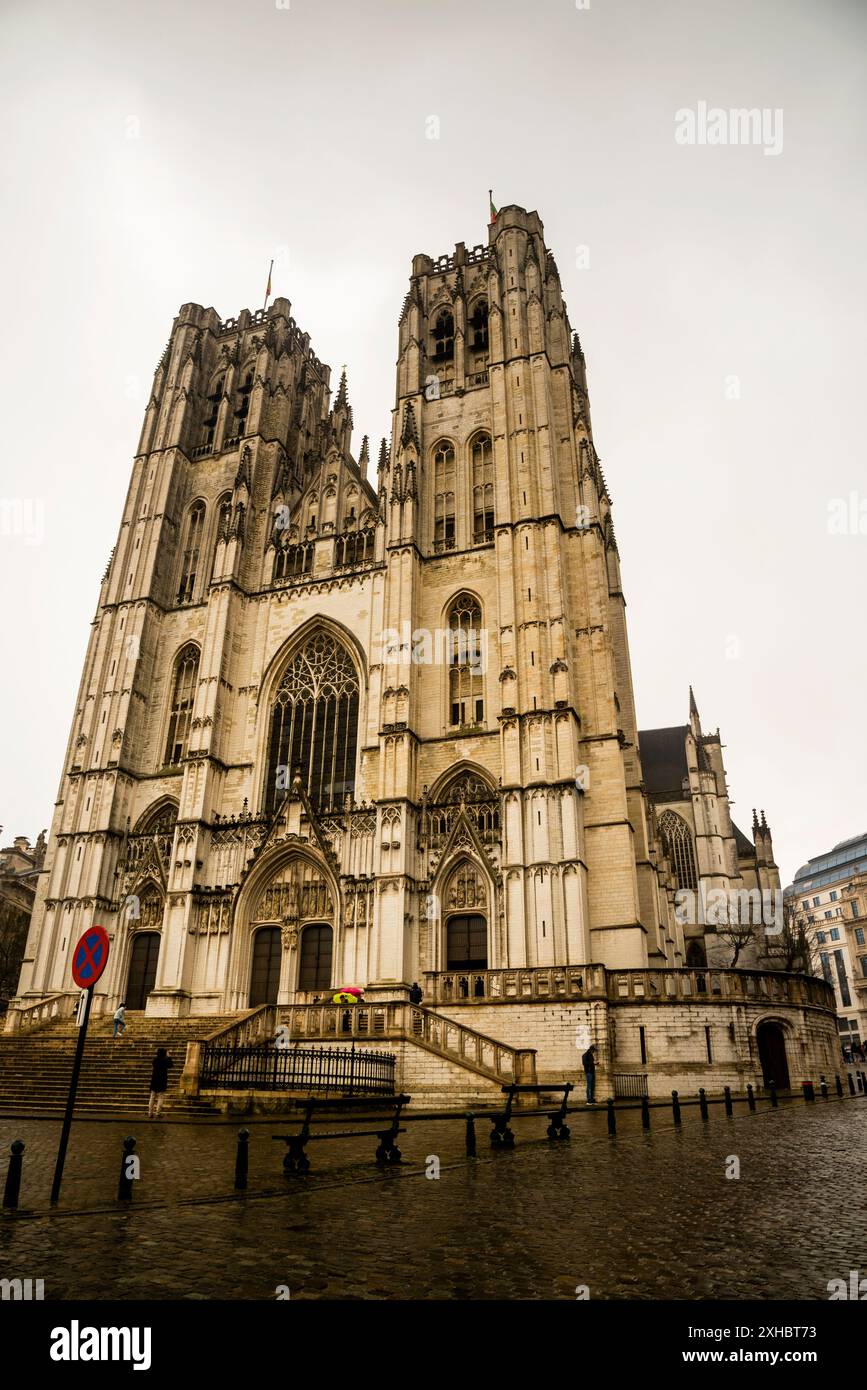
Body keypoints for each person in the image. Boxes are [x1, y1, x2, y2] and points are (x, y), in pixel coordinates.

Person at [148, 1048, 173, 1118]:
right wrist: (169, 1057)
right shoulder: (165, 1060)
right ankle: (158, 1113)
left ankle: (150, 1112)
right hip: (162, 1081)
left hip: (154, 1080)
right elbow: (171, 1065)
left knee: (152, 1097)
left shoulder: (155, 1060)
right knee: (160, 1097)